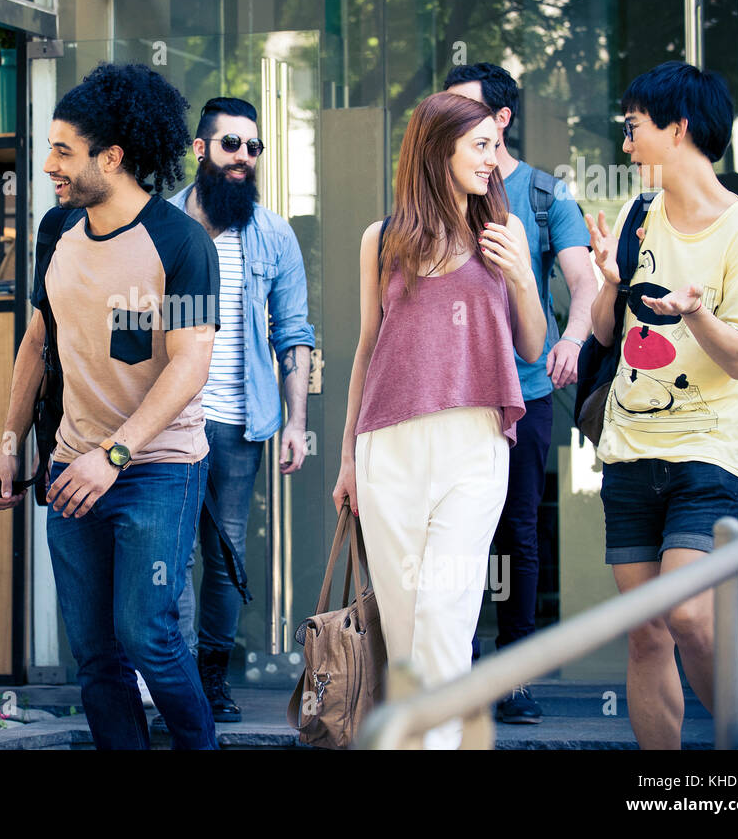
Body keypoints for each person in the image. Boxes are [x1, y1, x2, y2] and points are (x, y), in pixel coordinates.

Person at [0, 63, 221, 750]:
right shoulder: (57, 230)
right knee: (95, 653)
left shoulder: (183, 243)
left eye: (63, 150)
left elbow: (191, 364)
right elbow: (37, 342)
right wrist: (10, 443)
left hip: (157, 465)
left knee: (145, 632)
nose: (49, 164)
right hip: (69, 467)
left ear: (111, 157)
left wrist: (113, 455)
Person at [333, 91, 546, 749]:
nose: (494, 158)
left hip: (474, 444)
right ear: (438, 149)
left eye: (495, 144)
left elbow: (533, 346)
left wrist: (522, 279)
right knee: (404, 631)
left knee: (445, 615)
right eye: (480, 145)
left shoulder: (503, 234)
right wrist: (347, 458)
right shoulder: (381, 240)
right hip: (387, 446)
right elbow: (368, 349)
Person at [587, 62, 738, 749]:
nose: (629, 145)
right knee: (647, 632)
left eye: (636, 129)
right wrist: (610, 283)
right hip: (631, 450)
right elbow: (607, 336)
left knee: (691, 616)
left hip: (709, 453)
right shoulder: (640, 217)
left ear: (679, 127)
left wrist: (695, 312)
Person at [444, 63, 598, 723]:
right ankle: (458, 668)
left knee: (518, 534)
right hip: (454, 396)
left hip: (526, 390)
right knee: (453, 537)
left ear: (501, 119)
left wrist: (573, 339)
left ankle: (513, 674)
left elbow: (584, 282)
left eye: (469, 110)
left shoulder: (543, 193)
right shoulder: (439, 189)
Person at [165, 96, 315, 722]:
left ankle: (211, 677)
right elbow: (136, 324)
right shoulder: (161, 223)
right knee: (171, 557)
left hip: (236, 423)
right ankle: (173, 684)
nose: (243, 158)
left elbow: (294, 332)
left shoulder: (272, 233)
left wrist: (296, 423)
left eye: (253, 148)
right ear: (200, 150)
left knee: (225, 554)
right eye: (231, 145)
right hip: (169, 419)